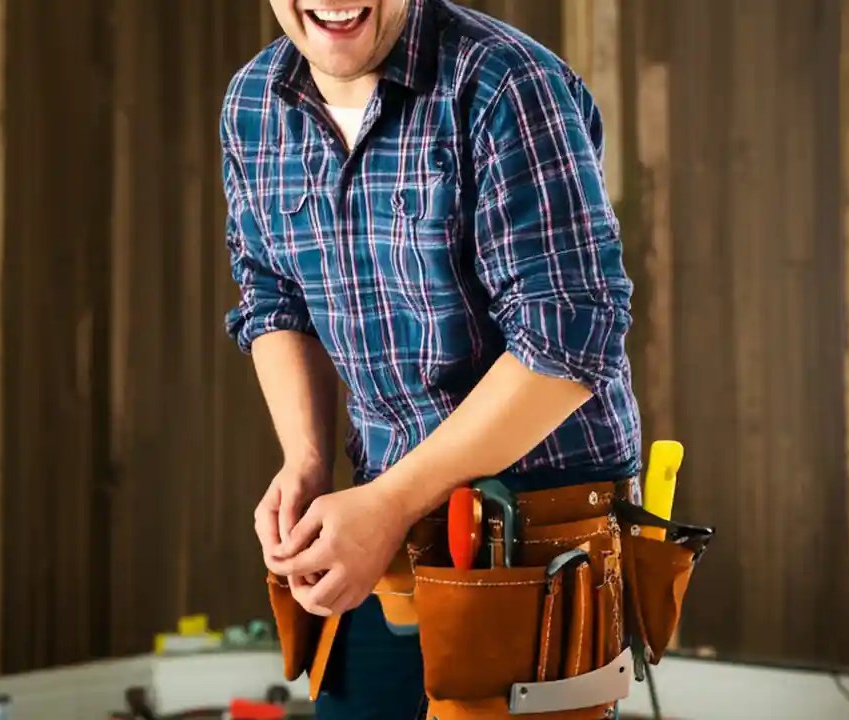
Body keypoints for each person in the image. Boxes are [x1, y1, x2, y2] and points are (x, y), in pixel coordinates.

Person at [219, 0, 641, 716]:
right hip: (381, 533)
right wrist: (308, 461)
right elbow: (275, 299)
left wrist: (387, 502)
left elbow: (567, 344)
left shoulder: (506, 84)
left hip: (538, 542)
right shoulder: (255, 103)